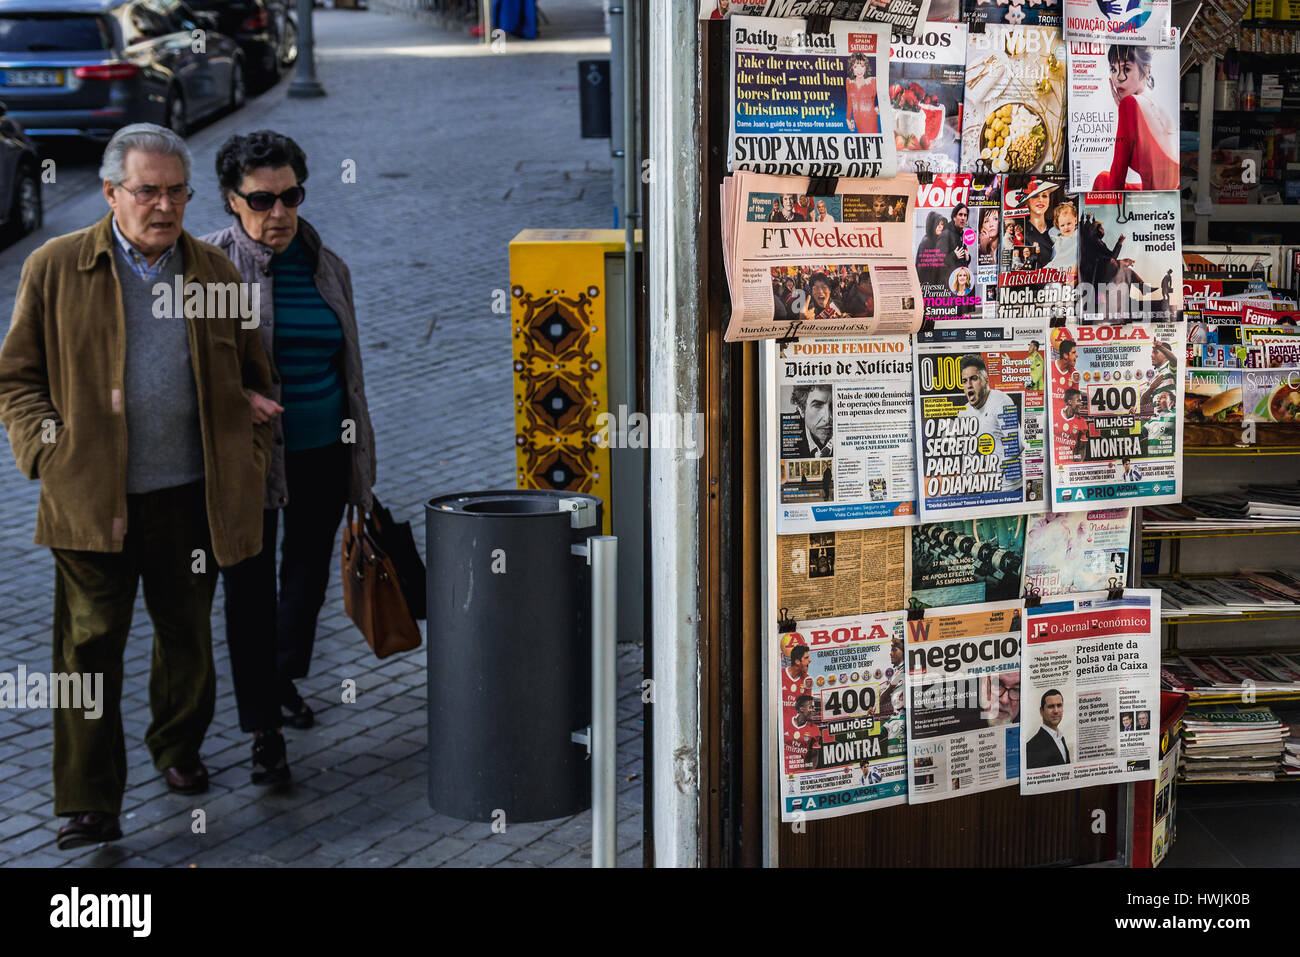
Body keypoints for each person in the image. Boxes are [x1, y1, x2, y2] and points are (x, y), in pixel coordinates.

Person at [0, 124, 273, 849]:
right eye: (146, 190)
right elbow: (17, 377)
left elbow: (250, 370)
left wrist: (249, 424)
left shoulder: (214, 273)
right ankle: (88, 799)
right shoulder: (57, 267)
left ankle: (177, 746)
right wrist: (45, 450)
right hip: (91, 500)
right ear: (111, 192)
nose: (163, 205)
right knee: (86, 649)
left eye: (175, 191)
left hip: (191, 495)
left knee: (186, 640)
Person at [201, 130, 377, 784]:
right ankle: (264, 732)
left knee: (303, 581)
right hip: (246, 462)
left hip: (324, 449)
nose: (278, 212)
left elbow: (347, 363)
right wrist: (236, 395)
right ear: (230, 199)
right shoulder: (210, 267)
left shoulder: (326, 264)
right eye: (261, 199)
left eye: (291, 195)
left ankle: (279, 679)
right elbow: (189, 368)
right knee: (248, 589)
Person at [1091, 45, 1178, 191]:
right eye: (1113, 69)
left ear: (1146, 70)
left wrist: (1112, 211)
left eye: (1126, 69)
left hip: (1152, 201)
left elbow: (1117, 174)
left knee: (1103, 180)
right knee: (1104, 178)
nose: (1119, 78)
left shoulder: (1130, 103)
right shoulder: (1160, 107)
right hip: (1170, 195)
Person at [958, 355, 1022, 493]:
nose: (968, 384)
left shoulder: (1002, 401)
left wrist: (993, 473)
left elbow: (1017, 445)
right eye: (964, 381)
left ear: (985, 380)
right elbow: (967, 455)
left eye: (974, 378)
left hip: (1010, 487)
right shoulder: (963, 412)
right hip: (986, 488)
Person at [1026, 689, 1071, 768]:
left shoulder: (1061, 738)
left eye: (1059, 705)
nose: (1056, 711)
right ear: (1041, 711)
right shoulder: (1032, 746)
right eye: (1051, 706)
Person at [789, 385, 833, 458]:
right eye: (817, 405)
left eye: (834, 406)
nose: (828, 418)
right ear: (802, 410)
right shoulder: (780, 431)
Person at [845, 53, 879, 135]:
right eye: (856, 67)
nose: (859, 70)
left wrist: (879, 107)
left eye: (862, 66)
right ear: (852, 68)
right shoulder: (849, 82)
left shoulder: (873, 81)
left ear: (866, 68)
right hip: (857, 120)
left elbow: (886, 94)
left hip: (870, 120)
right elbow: (850, 102)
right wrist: (848, 119)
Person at [915, 211, 948, 287]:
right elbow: (924, 270)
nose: (941, 227)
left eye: (942, 224)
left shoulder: (939, 240)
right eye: (938, 224)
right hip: (928, 286)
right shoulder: (926, 242)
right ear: (931, 225)